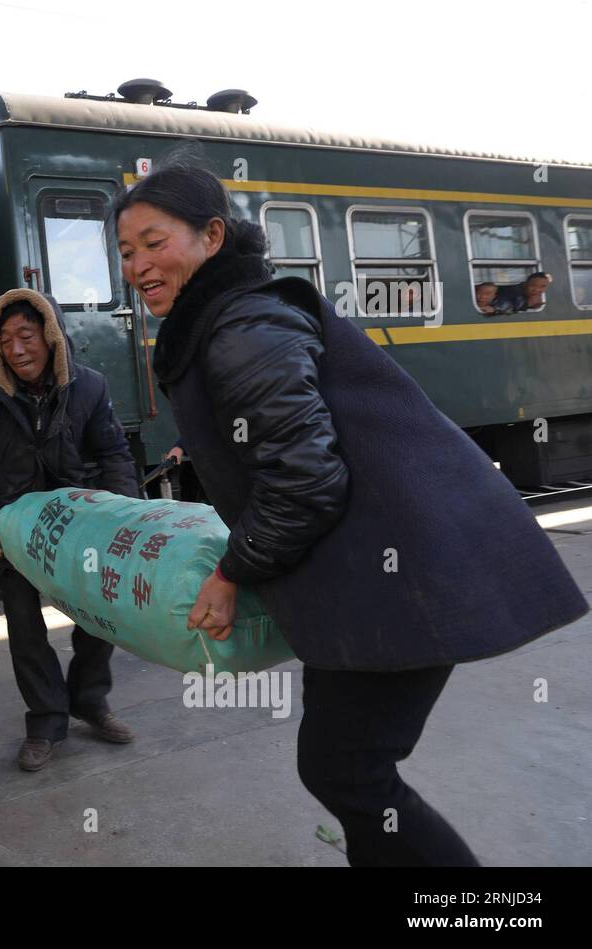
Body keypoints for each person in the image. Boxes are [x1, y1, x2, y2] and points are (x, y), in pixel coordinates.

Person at [113, 160, 588, 865]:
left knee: (350, 770)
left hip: (406, 572)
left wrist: (232, 571)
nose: (139, 266)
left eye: (156, 243)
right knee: (343, 766)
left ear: (212, 236)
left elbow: (305, 478)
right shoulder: (228, 315)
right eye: (126, 253)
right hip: (377, 571)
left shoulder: (241, 322)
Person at [0, 288, 140, 772]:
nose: (17, 350)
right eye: (6, 339)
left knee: (98, 614)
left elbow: (114, 453)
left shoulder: (90, 386)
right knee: (25, 627)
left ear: (51, 338)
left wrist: (126, 516)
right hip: (9, 525)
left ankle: (89, 700)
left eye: (27, 337)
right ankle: (46, 720)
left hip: (78, 525)